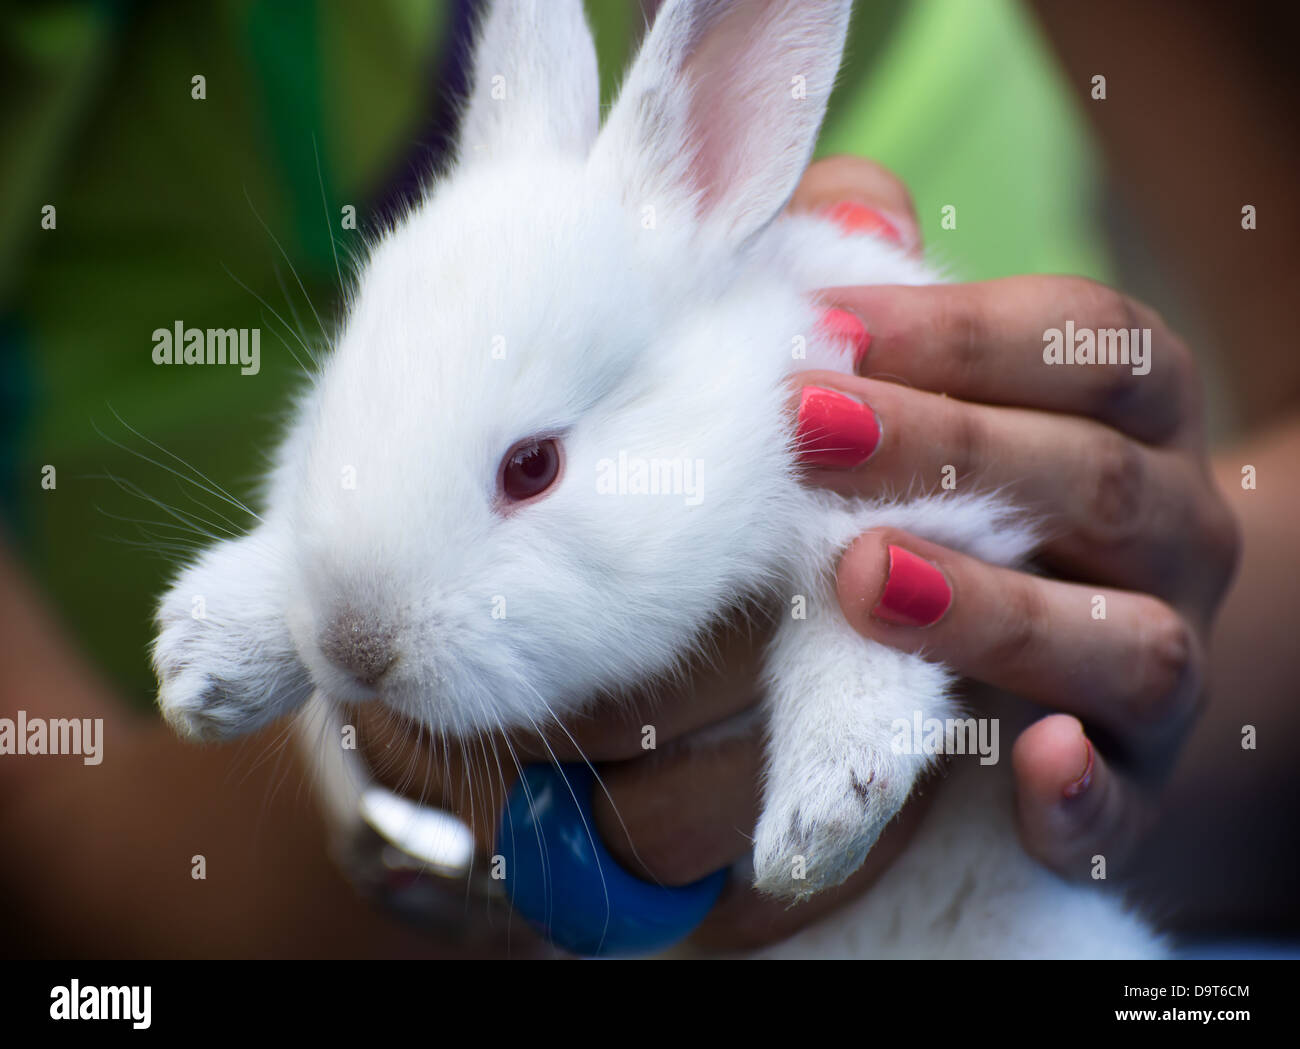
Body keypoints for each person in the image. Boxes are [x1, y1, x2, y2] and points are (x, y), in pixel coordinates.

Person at [2, 0, 1296, 956]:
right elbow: (52, 836)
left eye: (529, 469)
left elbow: (904, 583)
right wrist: (377, 792)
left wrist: (1113, 666)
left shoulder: (773, 347)